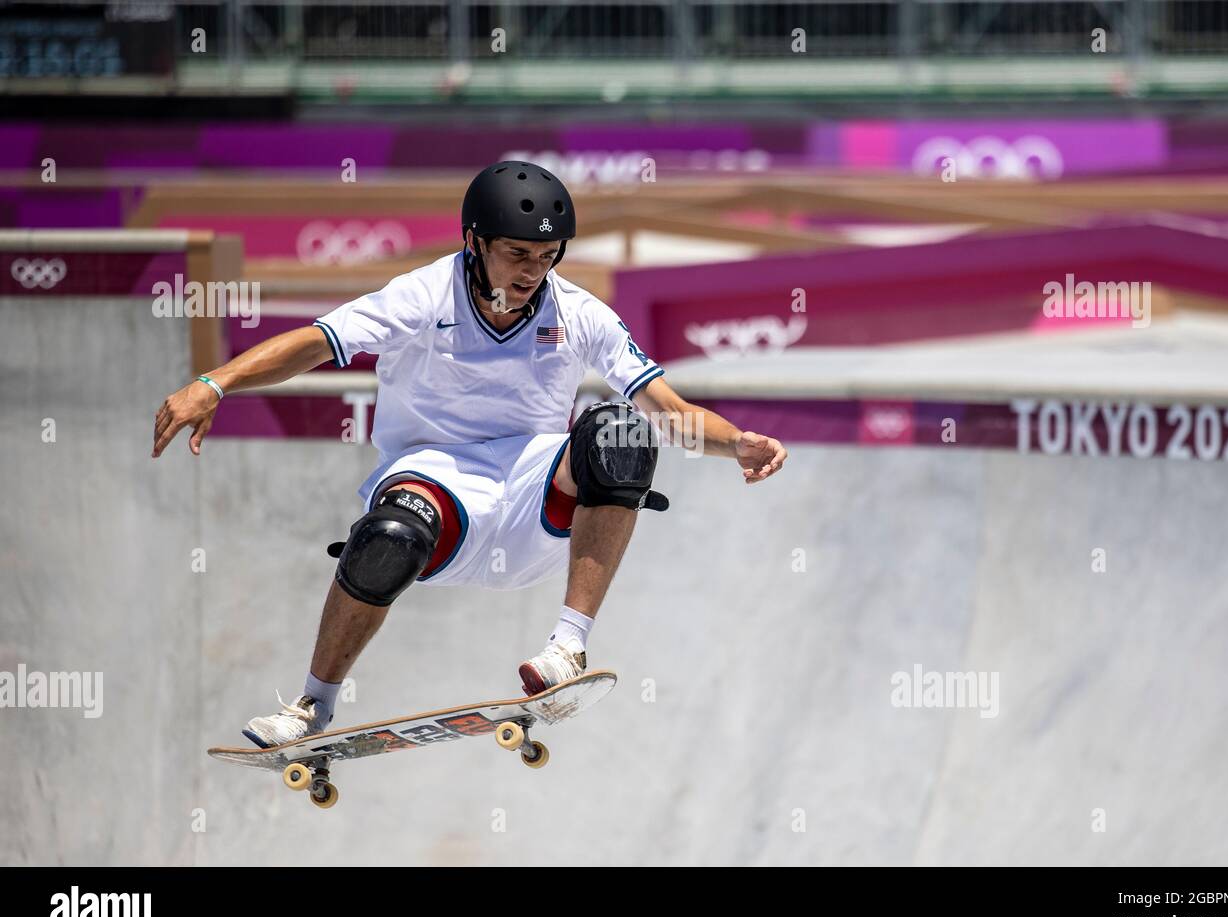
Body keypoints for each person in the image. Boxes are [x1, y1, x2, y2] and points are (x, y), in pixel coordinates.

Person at [152, 160, 787, 747]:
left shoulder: (582, 313)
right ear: (474, 241)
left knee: (619, 431)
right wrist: (215, 383)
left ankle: (567, 648)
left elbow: (669, 410)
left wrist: (736, 444)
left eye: (545, 255)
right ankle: (312, 706)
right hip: (438, 483)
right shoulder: (421, 295)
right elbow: (318, 343)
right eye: (516, 253)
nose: (531, 270)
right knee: (388, 536)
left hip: (539, 495)